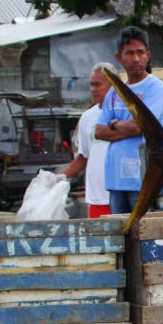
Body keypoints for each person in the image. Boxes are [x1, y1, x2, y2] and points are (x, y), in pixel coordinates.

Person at [95, 26, 163, 215]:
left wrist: (115, 124)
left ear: (148, 55)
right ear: (119, 57)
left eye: (140, 53)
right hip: (115, 181)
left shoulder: (155, 88)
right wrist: (130, 127)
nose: (136, 58)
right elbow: (99, 131)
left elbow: (142, 125)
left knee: (143, 234)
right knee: (121, 237)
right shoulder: (114, 91)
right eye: (129, 53)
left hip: (143, 179)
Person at [59, 62, 118, 218]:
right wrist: (60, 177)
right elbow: (83, 157)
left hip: (122, 196)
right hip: (97, 199)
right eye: (91, 85)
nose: (93, 89)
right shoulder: (87, 118)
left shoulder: (125, 114)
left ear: (113, 86)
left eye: (98, 85)